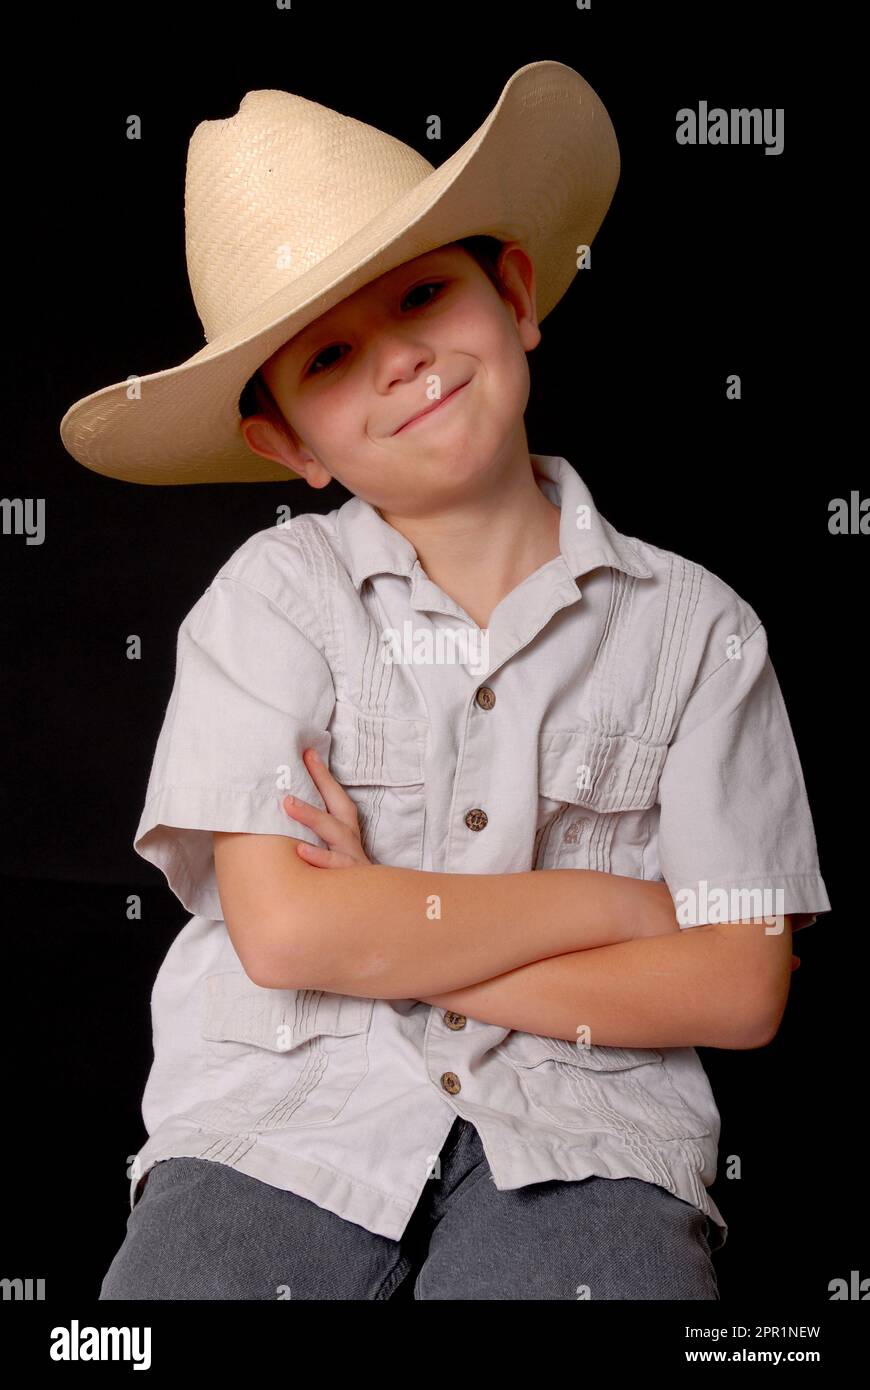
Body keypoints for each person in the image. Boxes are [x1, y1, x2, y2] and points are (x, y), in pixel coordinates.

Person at [60, 63, 831, 1300]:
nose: (403, 360)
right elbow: (294, 930)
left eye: (425, 292)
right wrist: (624, 908)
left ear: (514, 292)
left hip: (590, 1123)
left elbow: (741, 985)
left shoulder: (702, 633)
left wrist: (392, 925)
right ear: (288, 443)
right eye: (328, 359)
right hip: (280, 1113)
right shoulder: (271, 601)